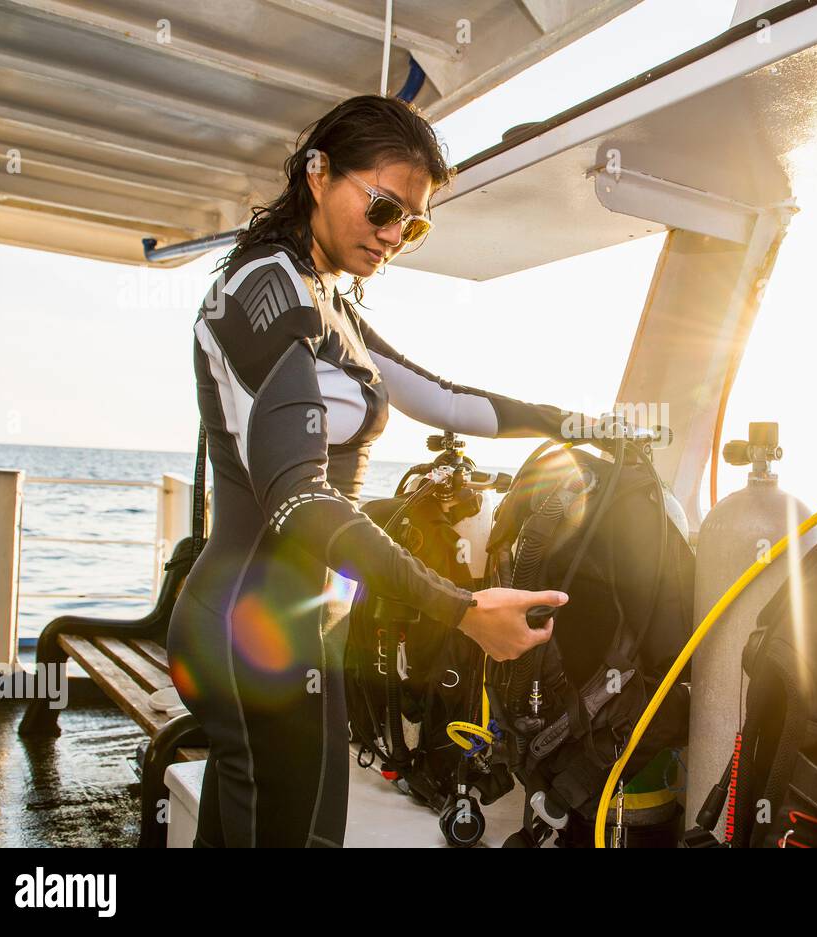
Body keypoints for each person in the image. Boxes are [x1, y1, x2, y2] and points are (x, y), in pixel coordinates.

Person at [167, 95, 579, 847]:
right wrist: (460, 609)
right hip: (248, 627)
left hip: (300, 626)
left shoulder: (325, 297)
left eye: (413, 224)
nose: (394, 236)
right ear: (319, 174)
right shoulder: (270, 292)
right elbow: (300, 500)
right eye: (383, 207)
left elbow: (446, 399)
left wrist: (581, 423)